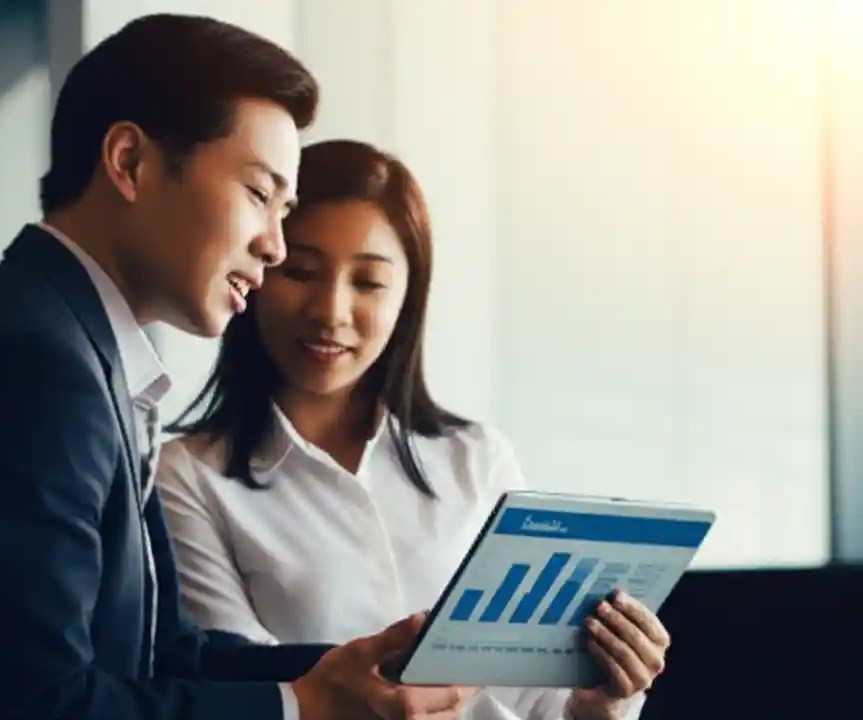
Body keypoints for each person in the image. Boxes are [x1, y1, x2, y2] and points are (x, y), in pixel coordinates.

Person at [0, 15, 472, 720]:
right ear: (130, 162)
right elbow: (33, 704)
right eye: (260, 195)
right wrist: (299, 707)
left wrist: (345, 672)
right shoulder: (33, 366)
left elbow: (166, 653)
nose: (273, 245)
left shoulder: (79, 351)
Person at [157, 140, 671, 720]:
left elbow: (541, 703)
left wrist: (607, 700)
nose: (331, 311)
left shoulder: (475, 460)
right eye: (300, 272)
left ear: (408, 298)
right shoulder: (187, 477)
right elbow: (238, 691)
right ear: (256, 271)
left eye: (369, 283)